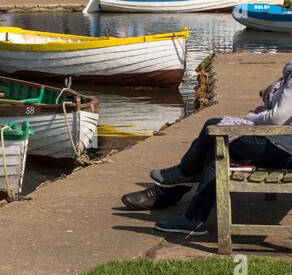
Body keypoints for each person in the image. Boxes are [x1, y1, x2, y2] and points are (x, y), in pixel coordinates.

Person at [123, 61, 292, 235]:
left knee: (214, 128)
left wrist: (252, 116)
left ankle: (182, 177)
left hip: (282, 150)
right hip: (282, 145)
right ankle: (190, 214)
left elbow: (278, 118)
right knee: (216, 149)